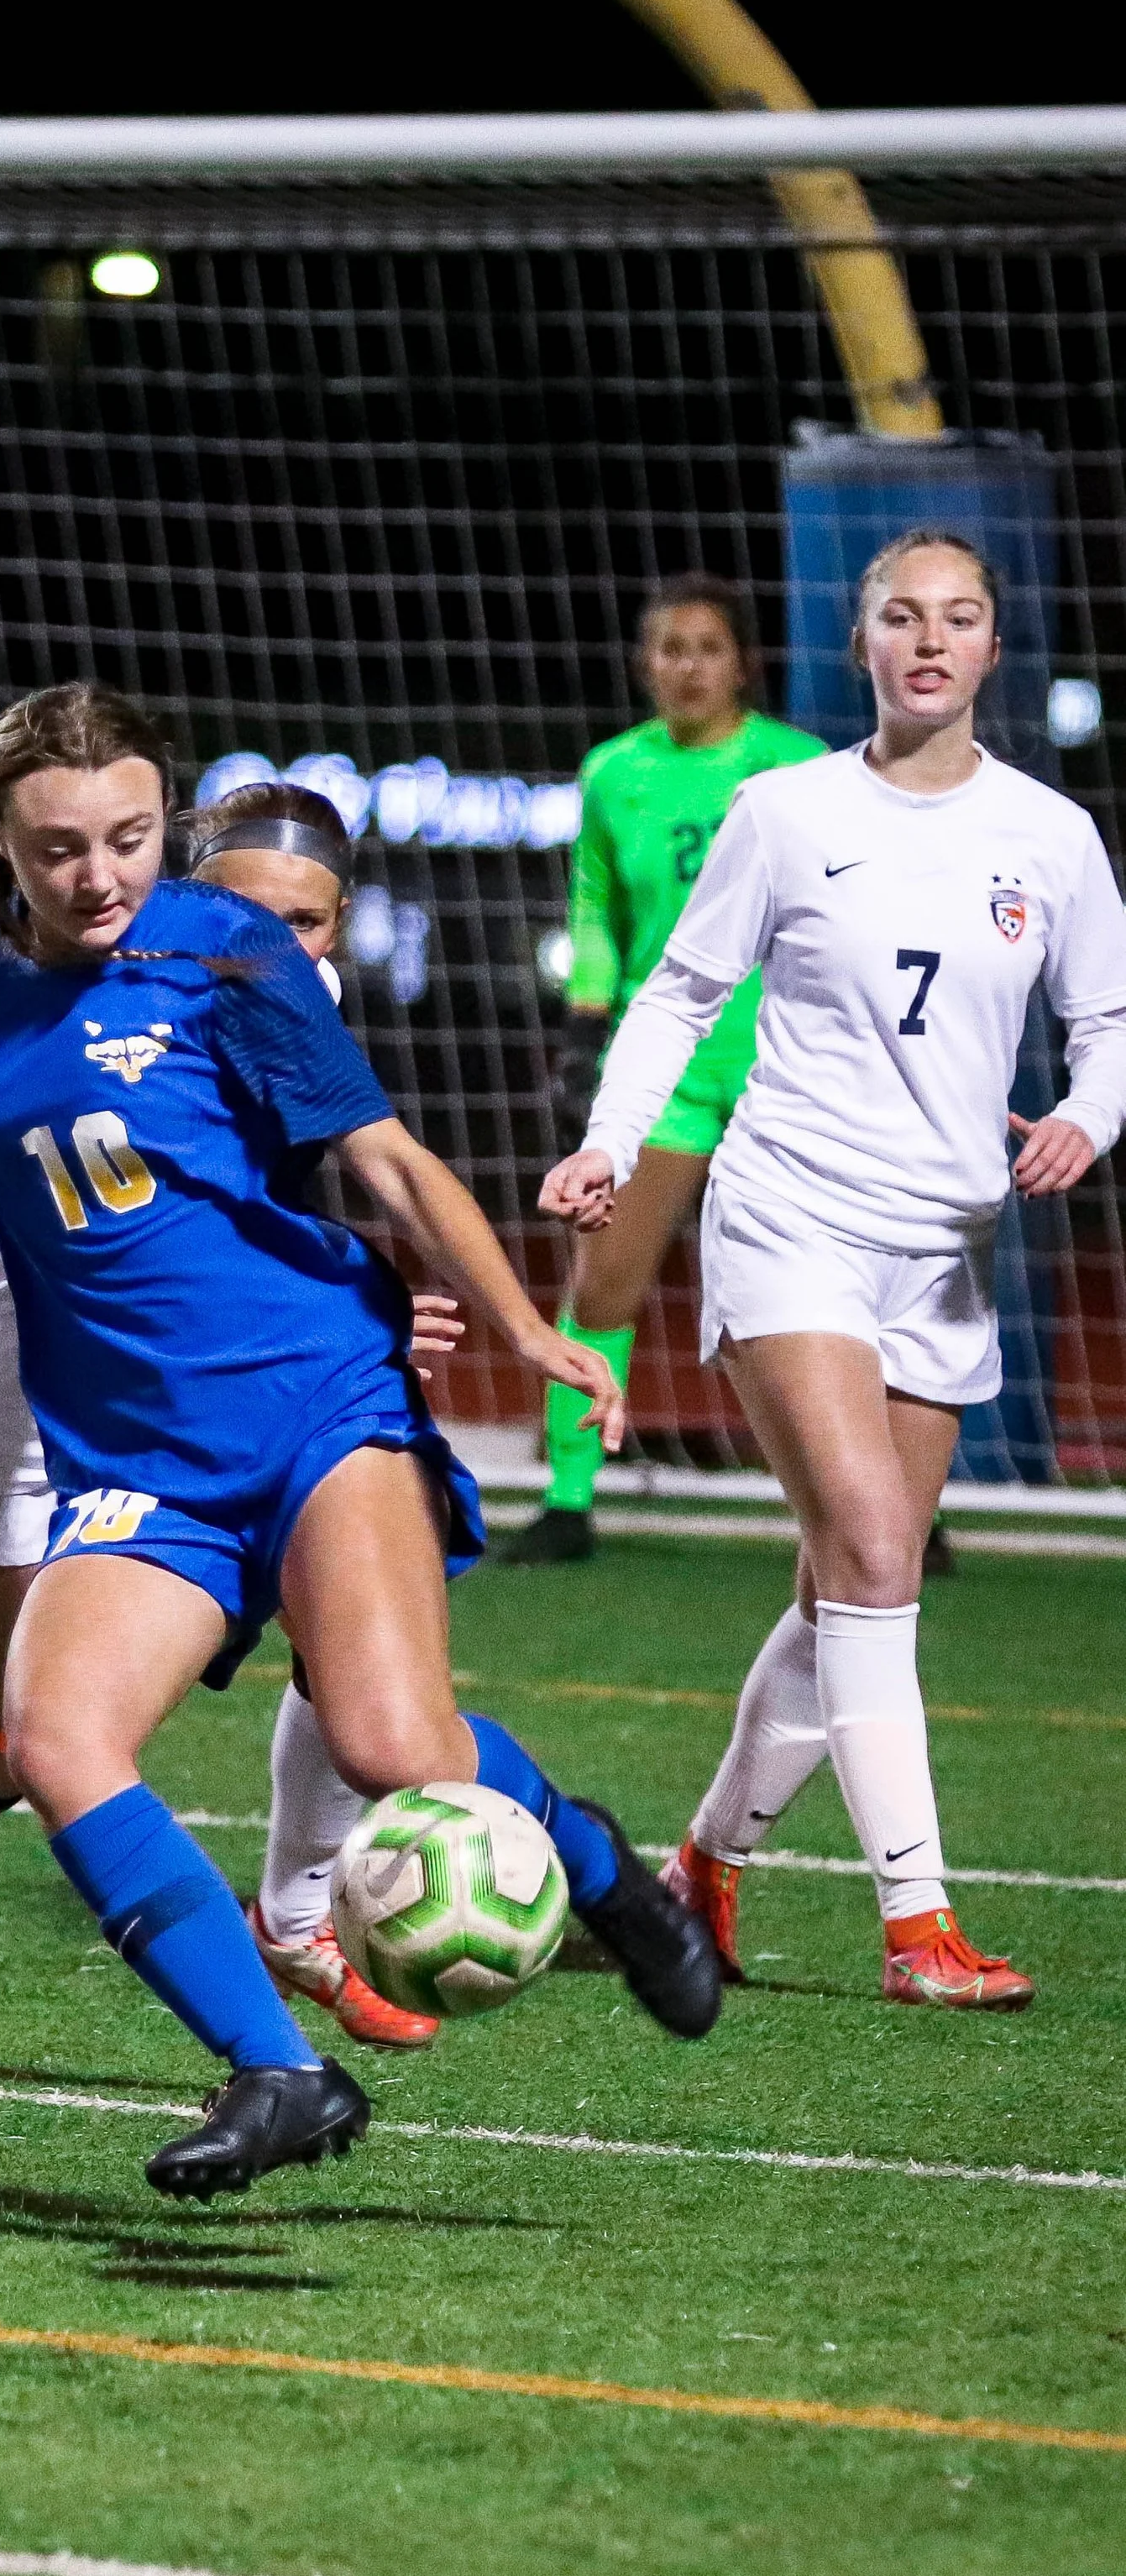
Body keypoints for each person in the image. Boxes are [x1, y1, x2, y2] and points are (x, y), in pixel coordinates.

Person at [0, 683, 723, 2205]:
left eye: (131, 836)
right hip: (142, 1461)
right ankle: (279, 2068)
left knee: (394, 1749)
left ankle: (596, 1863)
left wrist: (525, 1327)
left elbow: (380, 1157)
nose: (102, 874)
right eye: (62, 845)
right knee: (50, 1739)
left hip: (320, 1403)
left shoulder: (227, 946)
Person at [0, 782, 461, 2073]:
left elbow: (276, 1209)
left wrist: (385, 1301)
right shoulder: (114, 972)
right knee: (1, 1732)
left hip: (223, 1382)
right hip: (38, 1350)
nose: (285, 943)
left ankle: (298, 1915)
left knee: (349, 1630)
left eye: (312, 922)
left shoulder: (278, 993)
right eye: (257, 914)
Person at [542, 529, 1126, 2008]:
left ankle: (701, 1869)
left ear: (996, 648)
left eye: (960, 619)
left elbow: (1109, 1027)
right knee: (878, 1555)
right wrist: (612, 1140)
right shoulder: (784, 809)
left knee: (835, 1592)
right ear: (860, 645)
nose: (930, 640)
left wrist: (1080, 1119)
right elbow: (680, 993)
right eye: (900, 618)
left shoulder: (1052, 835)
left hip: (945, 1252)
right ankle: (918, 1924)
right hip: (791, 1212)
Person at [506, 574, 825, 1564]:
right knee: (604, 1277)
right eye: (668, 647)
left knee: (837, 1280)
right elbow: (597, 913)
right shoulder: (613, 773)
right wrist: (583, 1032)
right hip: (668, 1067)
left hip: (787, 1060)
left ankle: (906, 1507)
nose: (687, 666)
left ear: (743, 664)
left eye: (707, 647)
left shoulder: (798, 766)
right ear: (644, 662)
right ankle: (566, 1502)